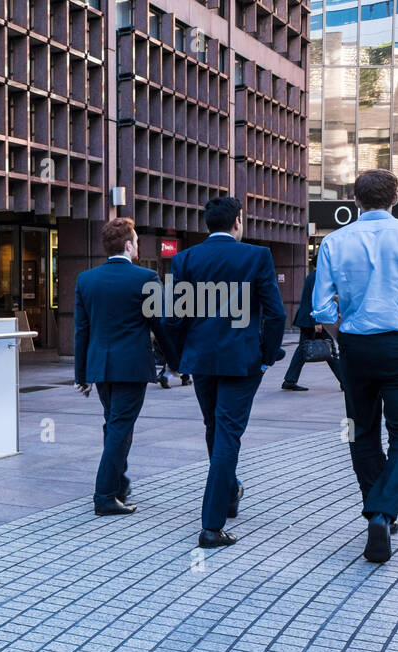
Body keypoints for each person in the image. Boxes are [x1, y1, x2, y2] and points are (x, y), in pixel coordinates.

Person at [164, 195, 286, 549]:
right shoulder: (256, 256)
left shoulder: (186, 259)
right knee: (228, 434)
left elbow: (173, 317)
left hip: (202, 360)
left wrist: (180, 358)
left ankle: (230, 492)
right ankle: (211, 525)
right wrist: (266, 356)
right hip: (242, 359)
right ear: (237, 222)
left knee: (215, 428)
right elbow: (275, 314)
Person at [312, 168, 398, 562]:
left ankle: (377, 506)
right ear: (395, 198)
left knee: (358, 430)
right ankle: (382, 509)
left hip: (355, 345)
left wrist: (339, 337)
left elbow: (321, 306)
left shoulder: (335, 240)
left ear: (356, 200)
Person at [74, 217, 175, 516]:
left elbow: (81, 331)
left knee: (114, 424)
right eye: (137, 242)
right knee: (120, 427)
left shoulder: (85, 280)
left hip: (100, 367)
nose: (138, 248)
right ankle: (105, 495)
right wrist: (177, 362)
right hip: (131, 367)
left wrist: (81, 375)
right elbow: (161, 325)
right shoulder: (145, 278)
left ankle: (117, 484)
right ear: (129, 245)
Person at [281, 265, 342, 392]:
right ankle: (345, 382)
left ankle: (290, 380)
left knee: (305, 349)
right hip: (314, 319)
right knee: (329, 350)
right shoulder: (319, 277)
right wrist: (318, 321)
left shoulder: (312, 276)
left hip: (309, 318)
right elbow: (316, 300)